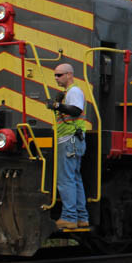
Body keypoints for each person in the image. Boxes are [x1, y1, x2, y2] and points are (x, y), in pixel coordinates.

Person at [46, 63, 89, 229]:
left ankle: (69, 217)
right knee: (75, 179)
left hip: (69, 139)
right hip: (73, 140)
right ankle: (81, 217)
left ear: (69, 75)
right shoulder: (68, 93)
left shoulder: (74, 91)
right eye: (55, 75)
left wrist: (57, 105)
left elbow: (76, 110)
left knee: (66, 180)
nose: (56, 78)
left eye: (59, 75)